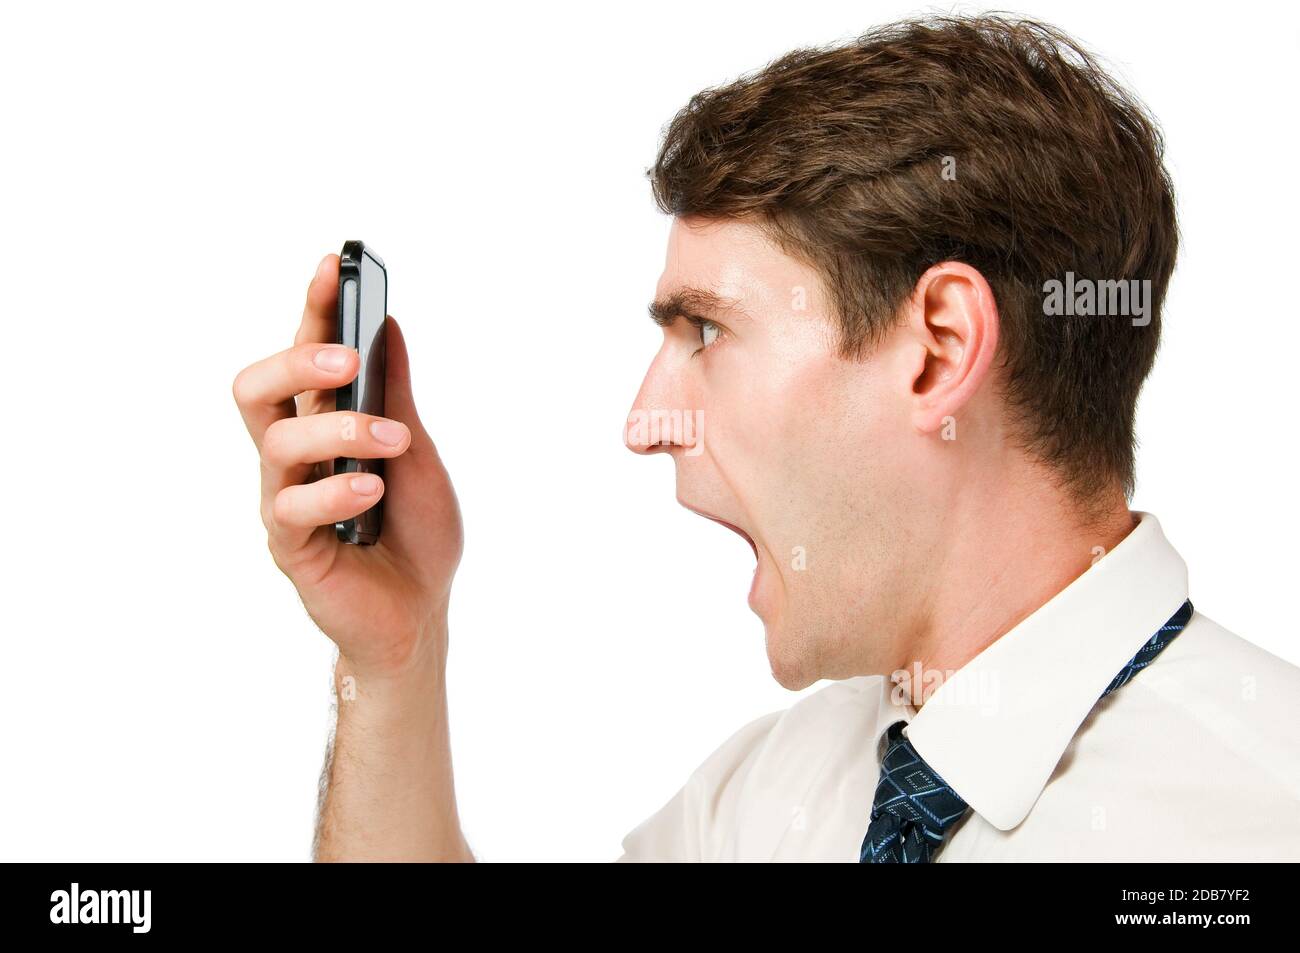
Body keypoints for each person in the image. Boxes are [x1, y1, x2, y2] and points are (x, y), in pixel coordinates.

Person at [232, 15, 1300, 862]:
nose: (645, 421)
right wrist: (394, 656)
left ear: (936, 349)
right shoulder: (762, 801)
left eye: (706, 328)